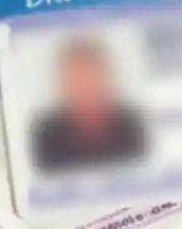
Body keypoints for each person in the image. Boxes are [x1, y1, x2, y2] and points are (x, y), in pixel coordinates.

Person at [32, 39, 146, 173]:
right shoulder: (48, 133)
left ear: (105, 79)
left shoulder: (129, 125)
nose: (84, 88)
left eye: (90, 78)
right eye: (76, 80)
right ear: (64, 85)